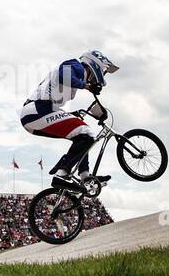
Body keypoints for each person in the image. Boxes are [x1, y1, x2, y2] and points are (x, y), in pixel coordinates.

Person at [19, 50, 119, 184]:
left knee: (81, 137)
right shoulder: (75, 65)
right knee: (86, 132)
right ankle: (62, 173)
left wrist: (71, 115)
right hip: (37, 110)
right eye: (103, 71)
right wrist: (87, 86)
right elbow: (63, 76)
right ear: (96, 65)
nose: (99, 79)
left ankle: (85, 176)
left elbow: (54, 101)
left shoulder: (77, 79)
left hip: (37, 115)